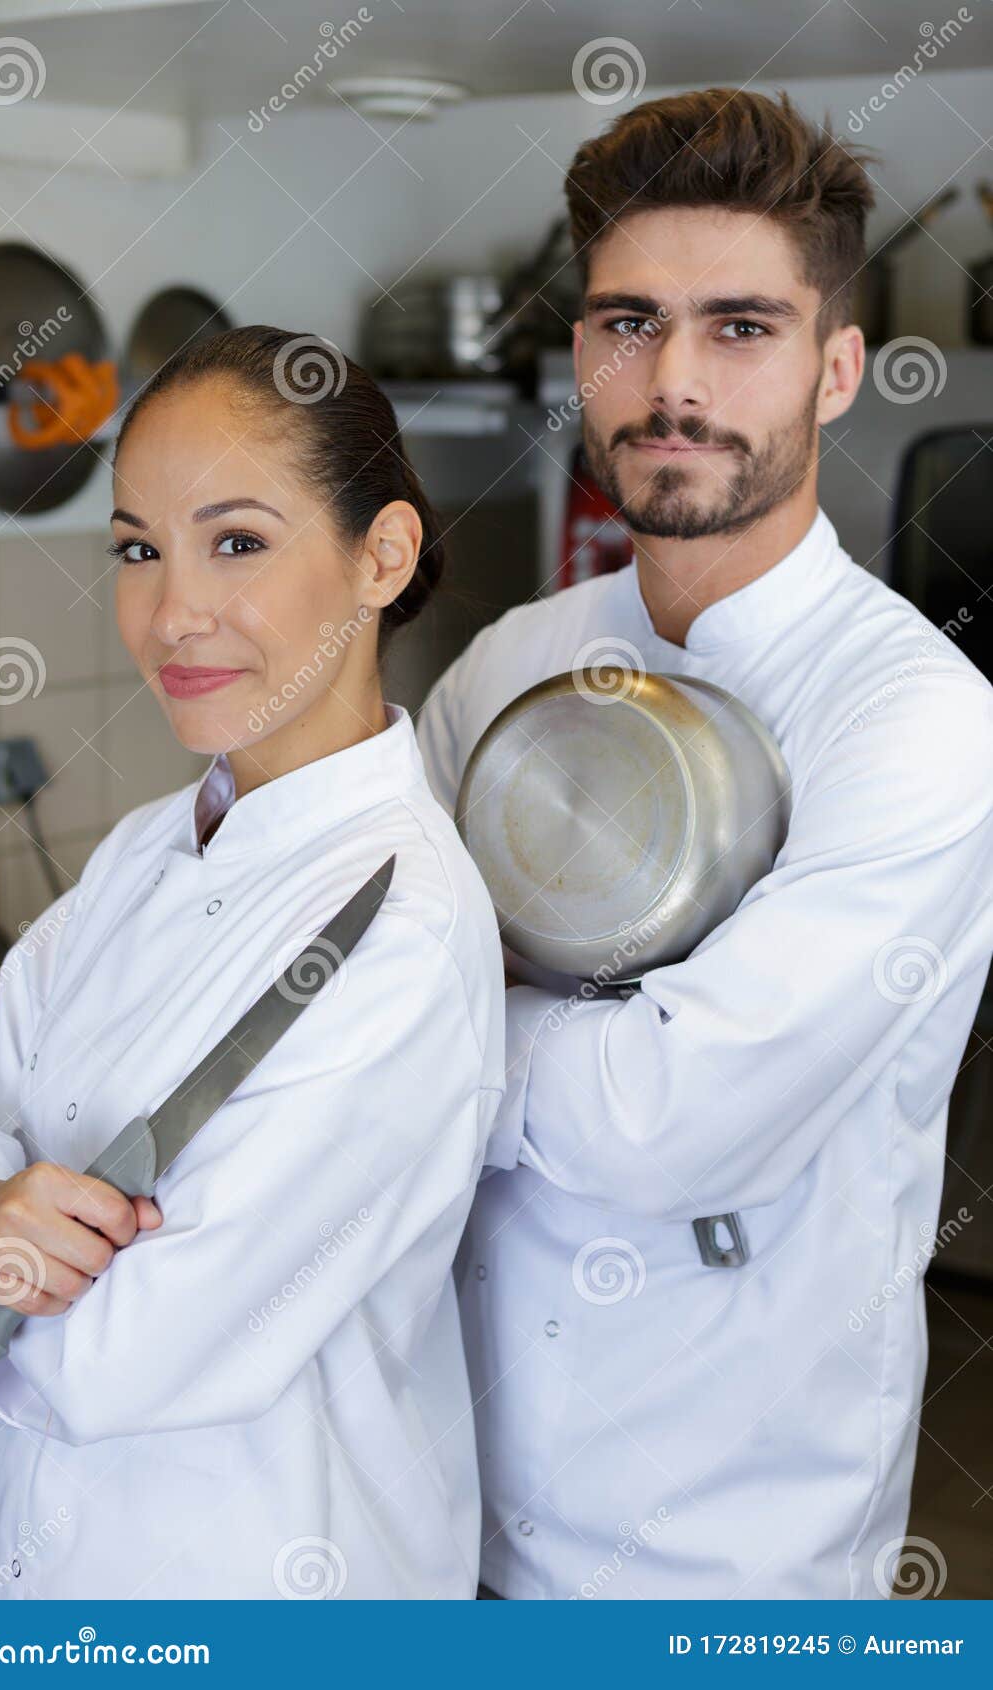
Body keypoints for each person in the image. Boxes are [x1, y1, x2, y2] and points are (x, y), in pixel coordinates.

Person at [416, 87, 993, 1600]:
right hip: (438, 1482)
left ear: (835, 367)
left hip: (721, 1548)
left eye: (739, 326)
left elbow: (662, 1119)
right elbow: (352, 958)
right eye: (627, 322)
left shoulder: (915, 719)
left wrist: (447, 1023)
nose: (670, 379)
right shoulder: (507, 659)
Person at [0, 326, 504, 1600]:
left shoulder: (395, 935)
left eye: (236, 541)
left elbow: (123, 1357)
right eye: (138, 547)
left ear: (382, 554)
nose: (170, 611)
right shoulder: (144, 851)